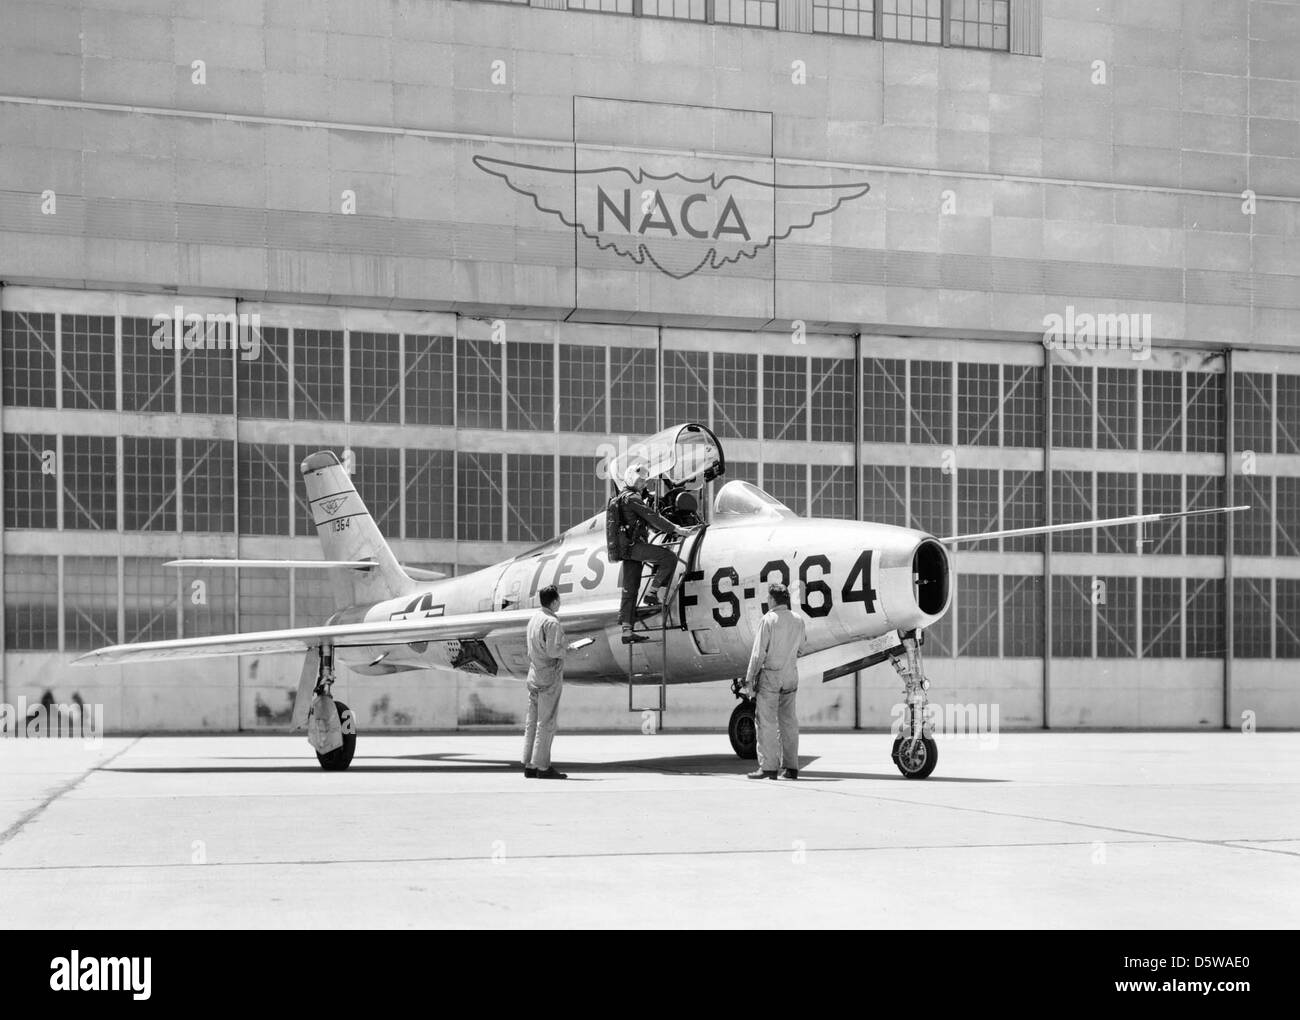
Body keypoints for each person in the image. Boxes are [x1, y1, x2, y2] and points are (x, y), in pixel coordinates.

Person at [611, 464, 692, 644]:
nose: (643, 484)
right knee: (668, 558)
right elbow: (652, 517)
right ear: (631, 479)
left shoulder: (623, 498)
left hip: (627, 550)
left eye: (644, 481)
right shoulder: (632, 498)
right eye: (640, 481)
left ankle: (627, 631)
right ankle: (652, 592)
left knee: (630, 588)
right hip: (635, 547)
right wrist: (676, 529)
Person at [742, 583, 807, 781]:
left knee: (766, 722)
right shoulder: (798, 619)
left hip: (771, 676)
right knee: (789, 721)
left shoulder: (768, 619)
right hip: (790, 675)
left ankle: (768, 768)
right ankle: (791, 767)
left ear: (772, 599)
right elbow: (801, 648)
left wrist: (749, 678)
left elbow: (758, 653)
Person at [522, 584, 567, 779]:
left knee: (532, 721)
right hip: (549, 675)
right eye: (559, 600)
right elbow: (553, 651)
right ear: (554, 601)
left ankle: (529, 764)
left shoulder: (534, 619)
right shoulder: (552, 622)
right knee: (546, 722)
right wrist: (568, 649)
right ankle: (542, 766)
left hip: (534, 673)